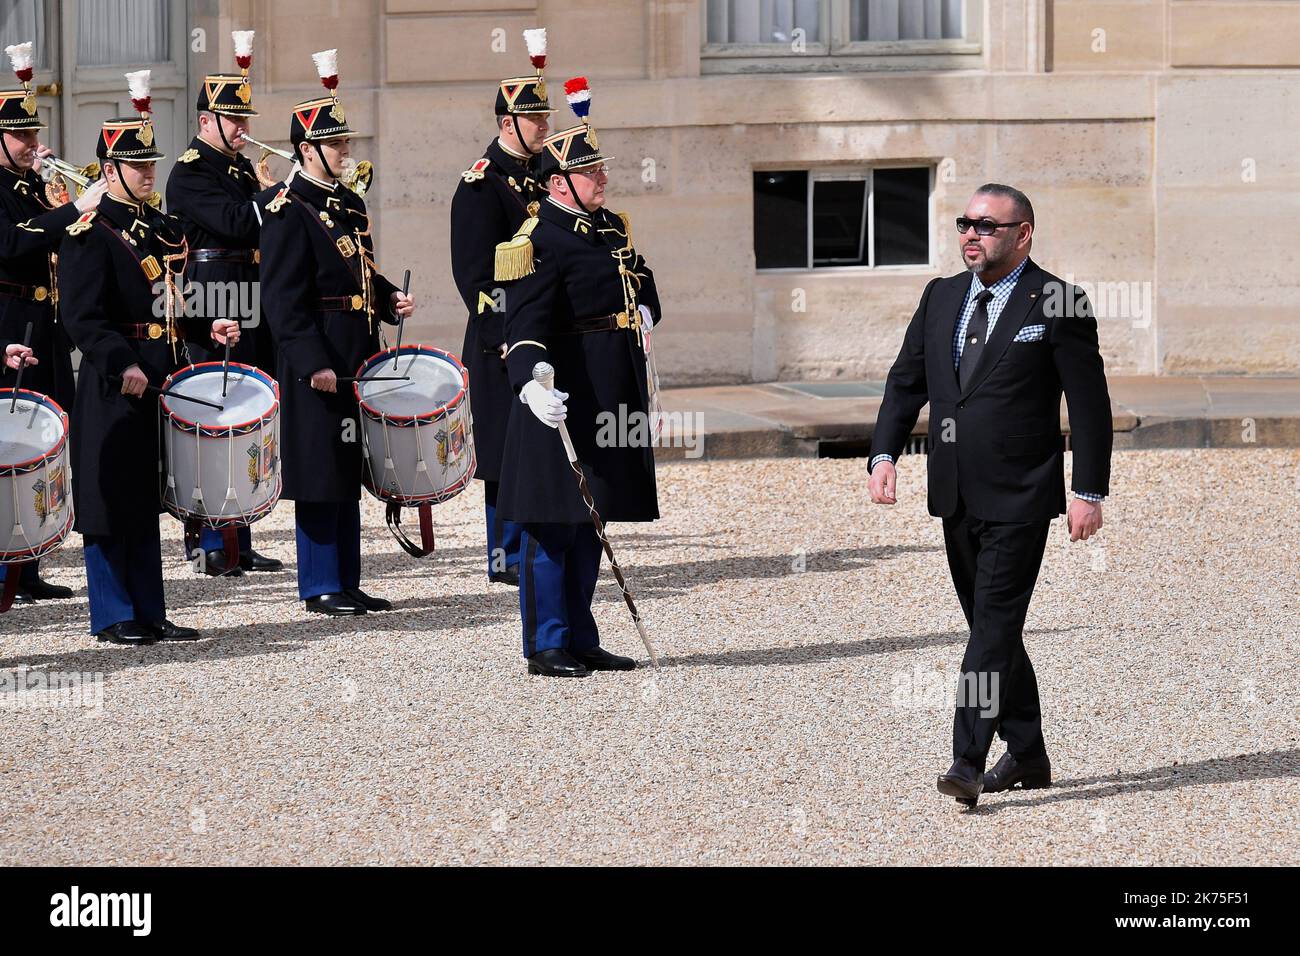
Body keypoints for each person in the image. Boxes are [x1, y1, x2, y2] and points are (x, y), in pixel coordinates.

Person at [867, 183, 1113, 806]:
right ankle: (1028, 753)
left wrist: (1088, 488)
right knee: (993, 628)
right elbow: (907, 380)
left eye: (987, 226)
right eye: (964, 224)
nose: (971, 235)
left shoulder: (1059, 300)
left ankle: (966, 759)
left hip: (1022, 495)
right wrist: (883, 453)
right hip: (953, 491)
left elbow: (1089, 405)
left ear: (1023, 234)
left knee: (991, 630)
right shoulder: (942, 295)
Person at [60, 70, 240, 644]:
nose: (149, 173)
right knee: (109, 497)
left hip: (157, 375)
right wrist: (122, 363)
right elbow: (81, 317)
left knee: (144, 496)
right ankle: (113, 614)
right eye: (138, 167)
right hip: (117, 381)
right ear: (110, 170)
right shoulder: (89, 232)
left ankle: (150, 609)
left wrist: (203, 322)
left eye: (151, 165)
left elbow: (168, 299)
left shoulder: (153, 227)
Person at [495, 79, 661, 677]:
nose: (603, 181)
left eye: (600, 172)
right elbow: (525, 324)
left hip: (610, 390)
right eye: (591, 174)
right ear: (559, 182)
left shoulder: (611, 228)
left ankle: (582, 636)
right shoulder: (539, 240)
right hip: (559, 396)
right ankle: (546, 642)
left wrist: (643, 308)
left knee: (593, 515)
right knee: (554, 520)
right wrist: (531, 383)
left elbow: (639, 282)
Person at [259, 49, 415, 617]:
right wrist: (310, 361)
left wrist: (386, 299)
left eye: (346, 143)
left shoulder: (344, 203)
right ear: (308, 150)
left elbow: (355, 269)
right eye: (338, 144)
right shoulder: (286, 209)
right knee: (321, 467)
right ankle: (320, 582)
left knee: (347, 465)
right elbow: (281, 298)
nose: (347, 152)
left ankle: (346, 580)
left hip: (355, 351)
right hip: (319, 356)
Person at [165, 29, 282, 576]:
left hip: (248, 291)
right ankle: (208, 538)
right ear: (207, 119)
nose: (244, 130)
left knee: (249, 415)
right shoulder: (189, 171)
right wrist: (273, 195)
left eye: (245, 120)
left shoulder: (237, 168)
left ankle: (241, 533)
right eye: (234, 121)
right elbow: (235, 223)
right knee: (212, 414)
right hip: (211, 294)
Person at [0, 40, 107, 603]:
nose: (34, 146)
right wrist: (70, 209)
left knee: (44, 436)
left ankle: (30, 560)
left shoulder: (26, 184)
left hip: (42, 319)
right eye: (22, 137)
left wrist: (61, 203)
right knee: (10, 438)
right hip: (7, 318)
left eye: (34, 136)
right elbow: (12, 245)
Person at [450, 27, 552, 587]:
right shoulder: (481, 186)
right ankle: (506, 555)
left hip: (547, 328)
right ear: (507, 123)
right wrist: (504, 333)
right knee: (505, 447)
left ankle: (540, 542)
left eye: (546, 118)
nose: (545, 127)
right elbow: (475, 275)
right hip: (504, 337)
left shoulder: (547, 176)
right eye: (536, 120)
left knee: (544, 441)